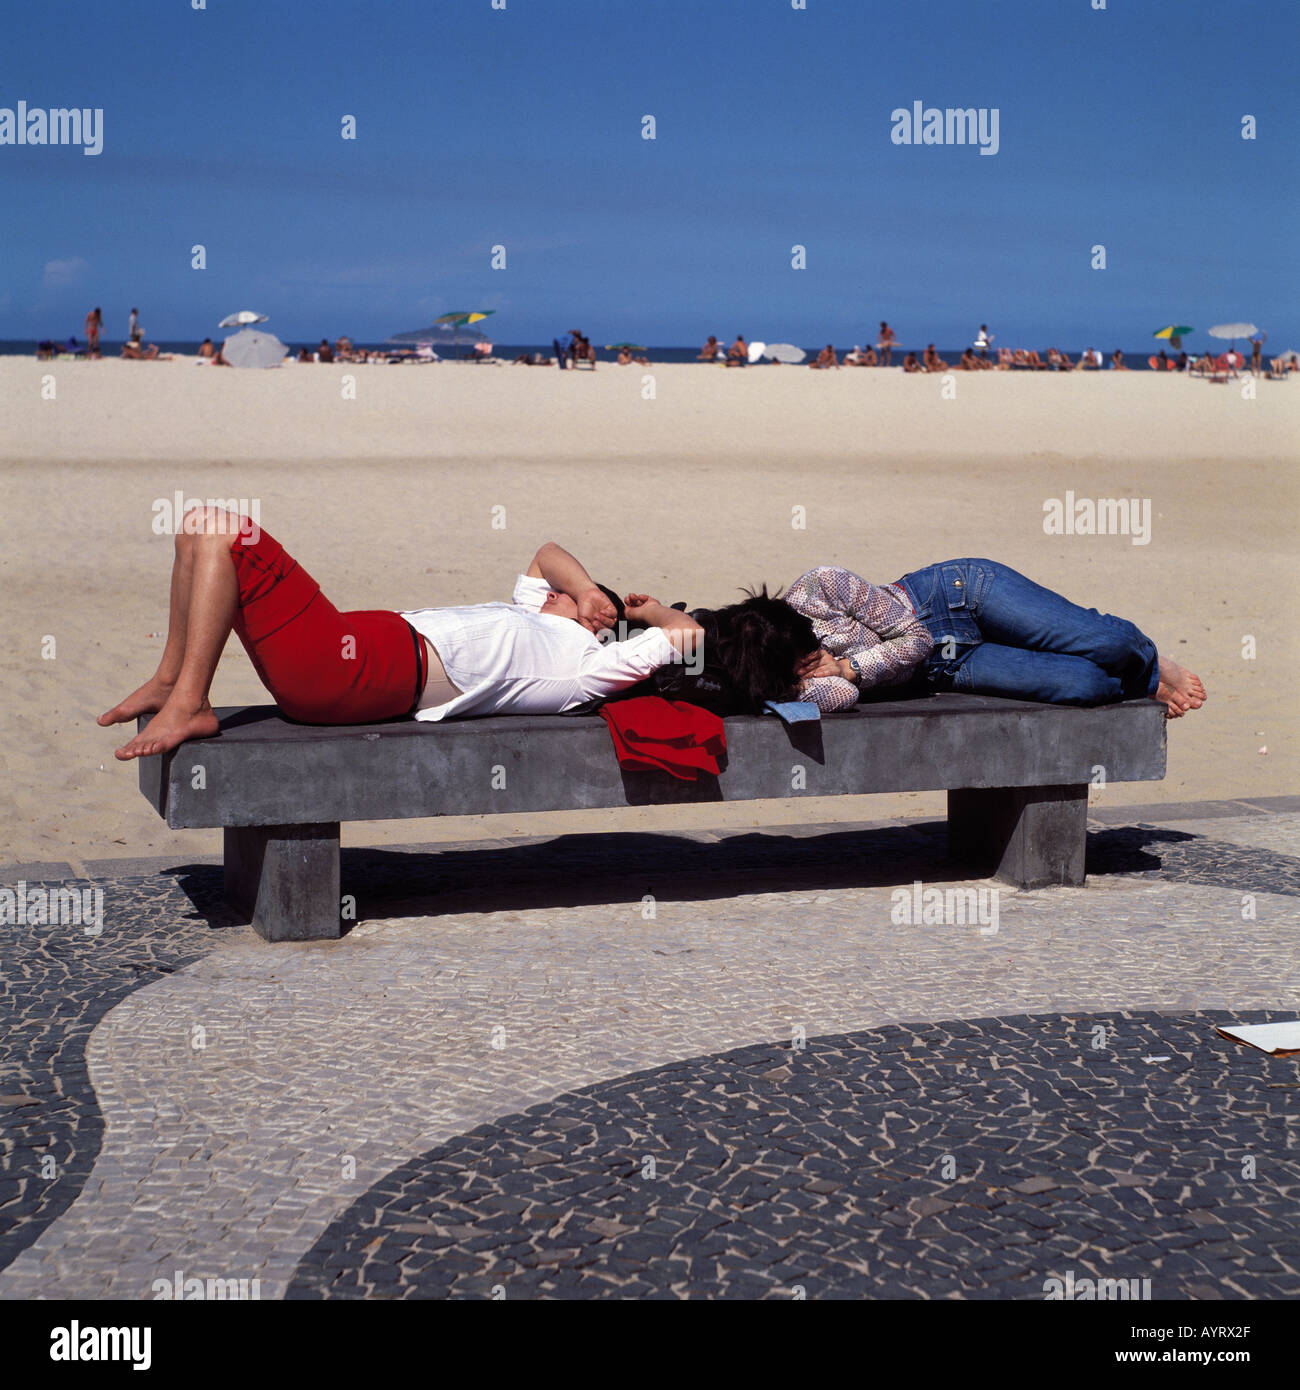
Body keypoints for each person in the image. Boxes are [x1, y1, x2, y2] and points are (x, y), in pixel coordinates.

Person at [99, 523, 707, 760]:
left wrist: (650, 611)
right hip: (347, 651)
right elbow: (546, 553)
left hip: (351, 672)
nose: (551, 592)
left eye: (563, 596)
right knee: (197, 530)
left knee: (229, 536)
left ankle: (192, 702)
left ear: (594, 626)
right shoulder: (541, 614)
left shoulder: (586, 664)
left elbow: (690, 636)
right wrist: (587, 590)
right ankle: (172, 683)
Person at [782, 563, 1205, 720]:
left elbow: (915, 636)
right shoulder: (781, 679)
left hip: (956, 596)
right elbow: (841, 695)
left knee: (1111, 645)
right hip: (945, 666)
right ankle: (1142, 682)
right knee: (1084, 685)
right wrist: (810, 683)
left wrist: (850, 667)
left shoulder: (817, 588)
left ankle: (1150, 661)